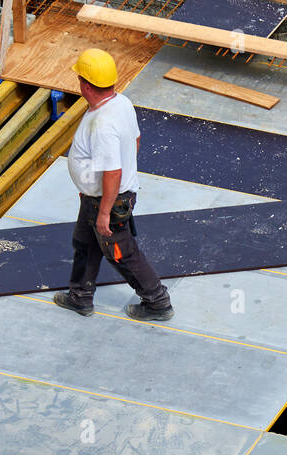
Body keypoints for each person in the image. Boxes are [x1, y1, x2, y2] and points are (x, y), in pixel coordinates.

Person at [53, 48, 173, 322]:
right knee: (85, 243)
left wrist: (105, 212)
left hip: (107, 201)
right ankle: (80, 297)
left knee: (121, 253)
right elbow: (136, 141)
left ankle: (158, 302)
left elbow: (112, 172)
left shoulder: (103, 123)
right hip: (96, 198)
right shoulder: (122, 103)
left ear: (85, 84)